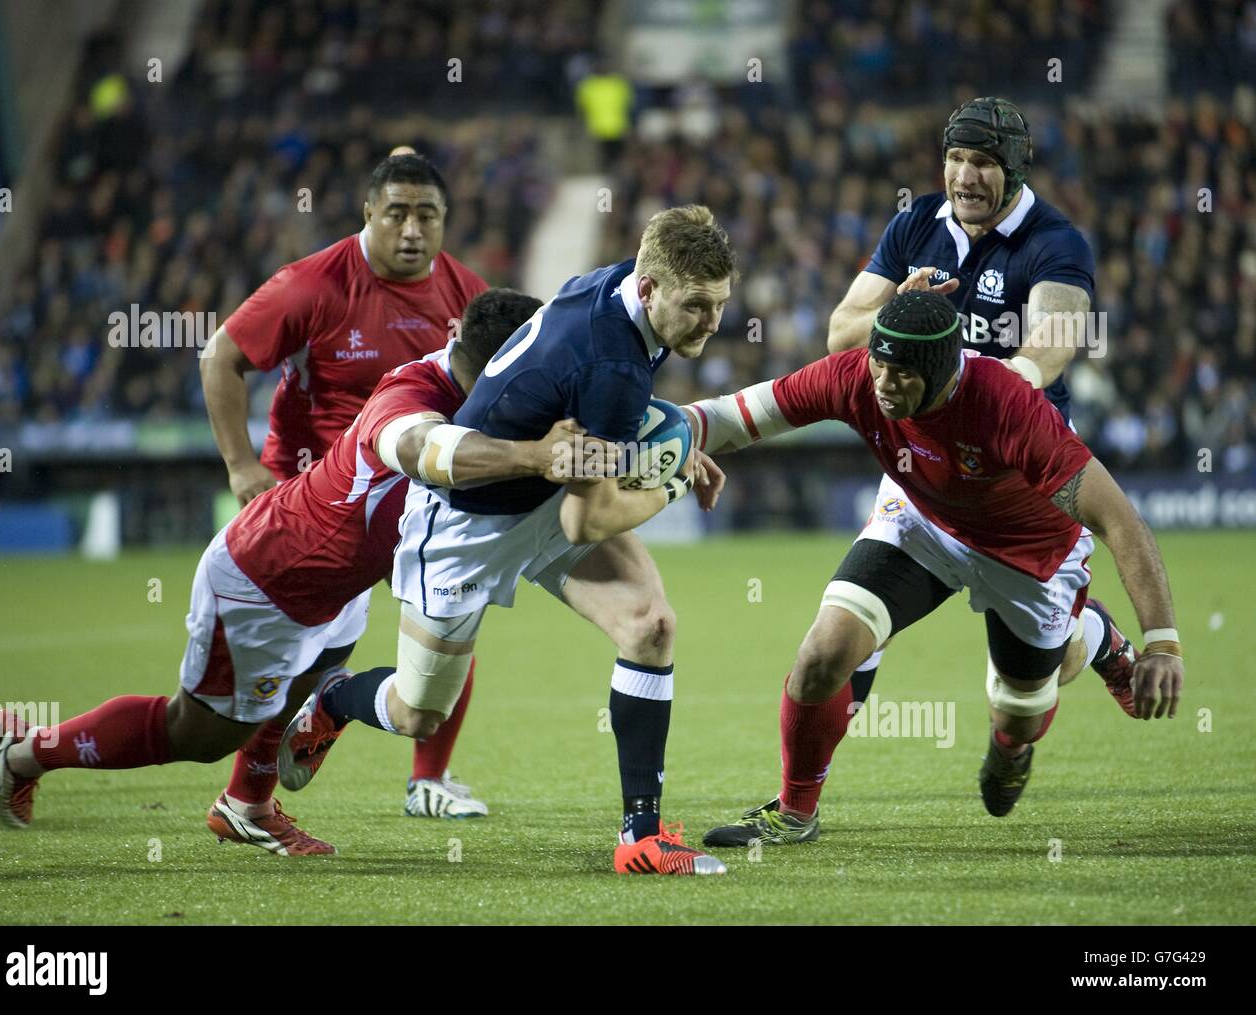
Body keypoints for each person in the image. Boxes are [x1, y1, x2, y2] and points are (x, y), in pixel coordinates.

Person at [0, 290, 575, 856]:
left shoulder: (481, 399)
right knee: (198, 735)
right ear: (504, 364)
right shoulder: (411, 399)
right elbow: (420, 446)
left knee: (294, 691)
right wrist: (534, 457)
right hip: (266, 578)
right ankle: (25, 753)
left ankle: (248, 806)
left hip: (337, 589)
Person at [286, 205, 735, 875]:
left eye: (722, 305)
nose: (713, 322)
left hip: (548, 486)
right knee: (418, 714)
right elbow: (591, 518)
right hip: (468, 524)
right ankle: (333, 700)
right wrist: (668, 478)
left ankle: (641, 833)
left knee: (649, 626)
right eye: (698, 306)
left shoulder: (624, 287)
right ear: (649, 290)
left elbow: (591, 421)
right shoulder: (614, 363)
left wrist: (660, 443)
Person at [689, 291, 1183, 846]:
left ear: (942, 373)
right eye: (879, 363)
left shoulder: (1005, 406)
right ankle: (795, 811)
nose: (883, 384)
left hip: (1028, 556)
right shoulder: (857, 376)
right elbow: (738, 414)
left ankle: (1091, 640)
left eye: (900, 375)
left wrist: (1162, 644)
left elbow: (1122, 523)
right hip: (921, 521)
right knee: (822, 657)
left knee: (1018, 713)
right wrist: (664, 434)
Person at [814, 96, 1111, 810]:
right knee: (834, 642)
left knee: (1025, 694)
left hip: (1018, 491)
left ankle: (1088, 642)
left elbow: (1054, 338)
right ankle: (797, 802)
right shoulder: (915, 224)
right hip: (921, 478)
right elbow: (839, 333)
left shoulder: (1054, 241)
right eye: (955, 158)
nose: (965, 176)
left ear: (1011, 170)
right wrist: (898, 309)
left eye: (982, 162)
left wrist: (1008, 385)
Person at [199, 151, 492, 822]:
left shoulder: (468, 297)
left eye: (428, 215)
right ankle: (255, 785)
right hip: (315, 502)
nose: (412, 230)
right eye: (397, 214)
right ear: (369, 214)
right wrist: (244, 468)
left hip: (409, 497)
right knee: (293, 660)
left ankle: (426, 779)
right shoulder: (313, 285)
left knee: (454, 606)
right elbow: (221, 356)